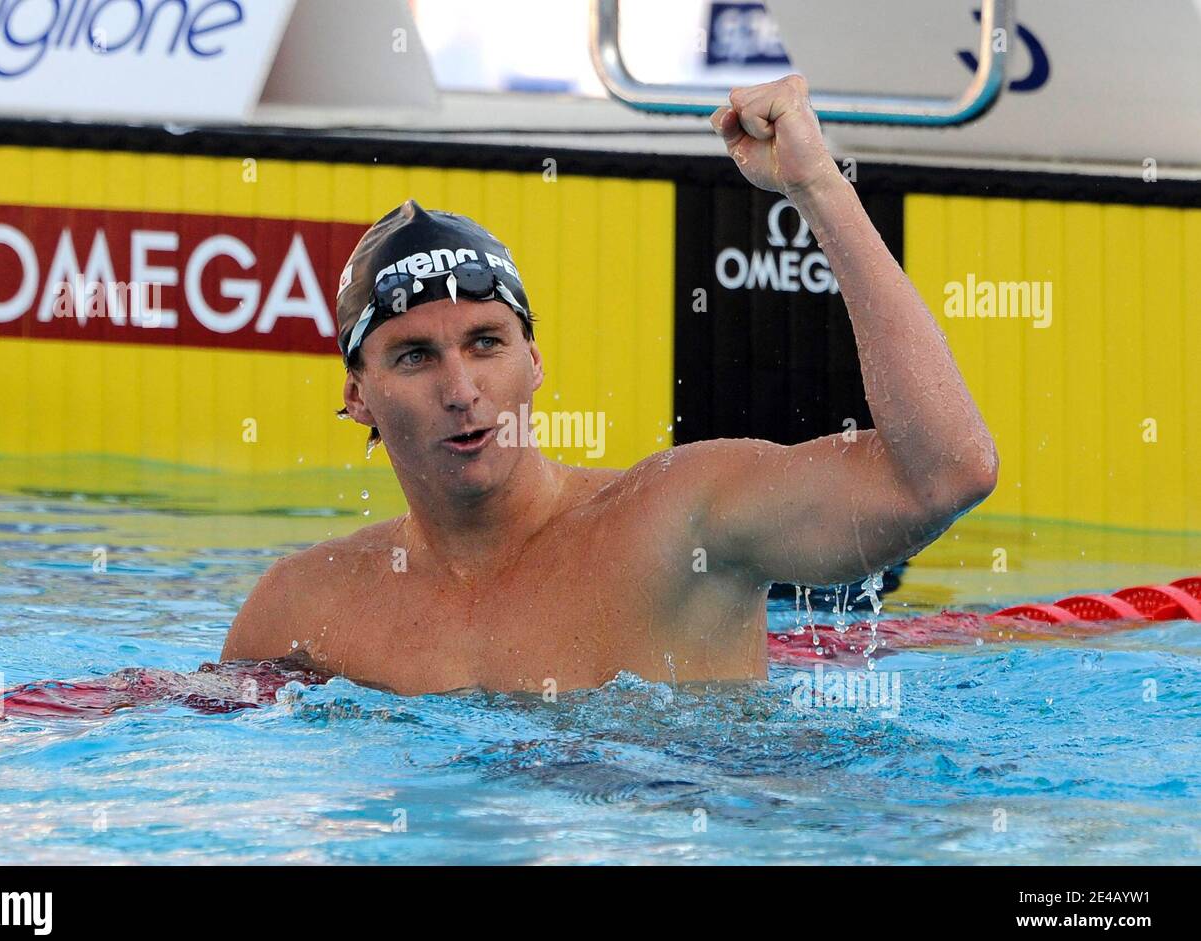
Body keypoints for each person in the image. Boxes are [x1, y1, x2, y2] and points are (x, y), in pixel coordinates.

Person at [221, 76, 999, 695]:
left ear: (534, 358)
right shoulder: (303, 610)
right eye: (414, 357)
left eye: (486, 343)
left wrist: (819, 188)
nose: (461, 389)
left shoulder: (682, 518)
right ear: (358, 394)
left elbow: (944, 473)